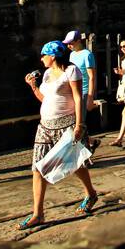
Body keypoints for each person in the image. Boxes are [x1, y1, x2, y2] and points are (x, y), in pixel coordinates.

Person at [20, 40, 97, 227]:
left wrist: (79, 124)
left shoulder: (71, 71)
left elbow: (78, 98)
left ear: (53, 56)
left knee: (76, 165)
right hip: (45, 126)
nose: (42, 58)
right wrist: (33, 87)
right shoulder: (46, 74)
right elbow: (44, 99)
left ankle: (91, 193)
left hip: (66, 124)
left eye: (44, 55)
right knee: (37, 168)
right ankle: (38, 213)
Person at [64, 30, 99, 150]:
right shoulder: (71, 55)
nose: (69, 46)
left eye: (71, 43)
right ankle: (90, 143)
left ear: (78, 41)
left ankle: (84, 151)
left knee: (80, 122)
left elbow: (92, 77)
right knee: (75, 121)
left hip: (83, 92)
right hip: (74, 92)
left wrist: (90, 96)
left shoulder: (87, 54)